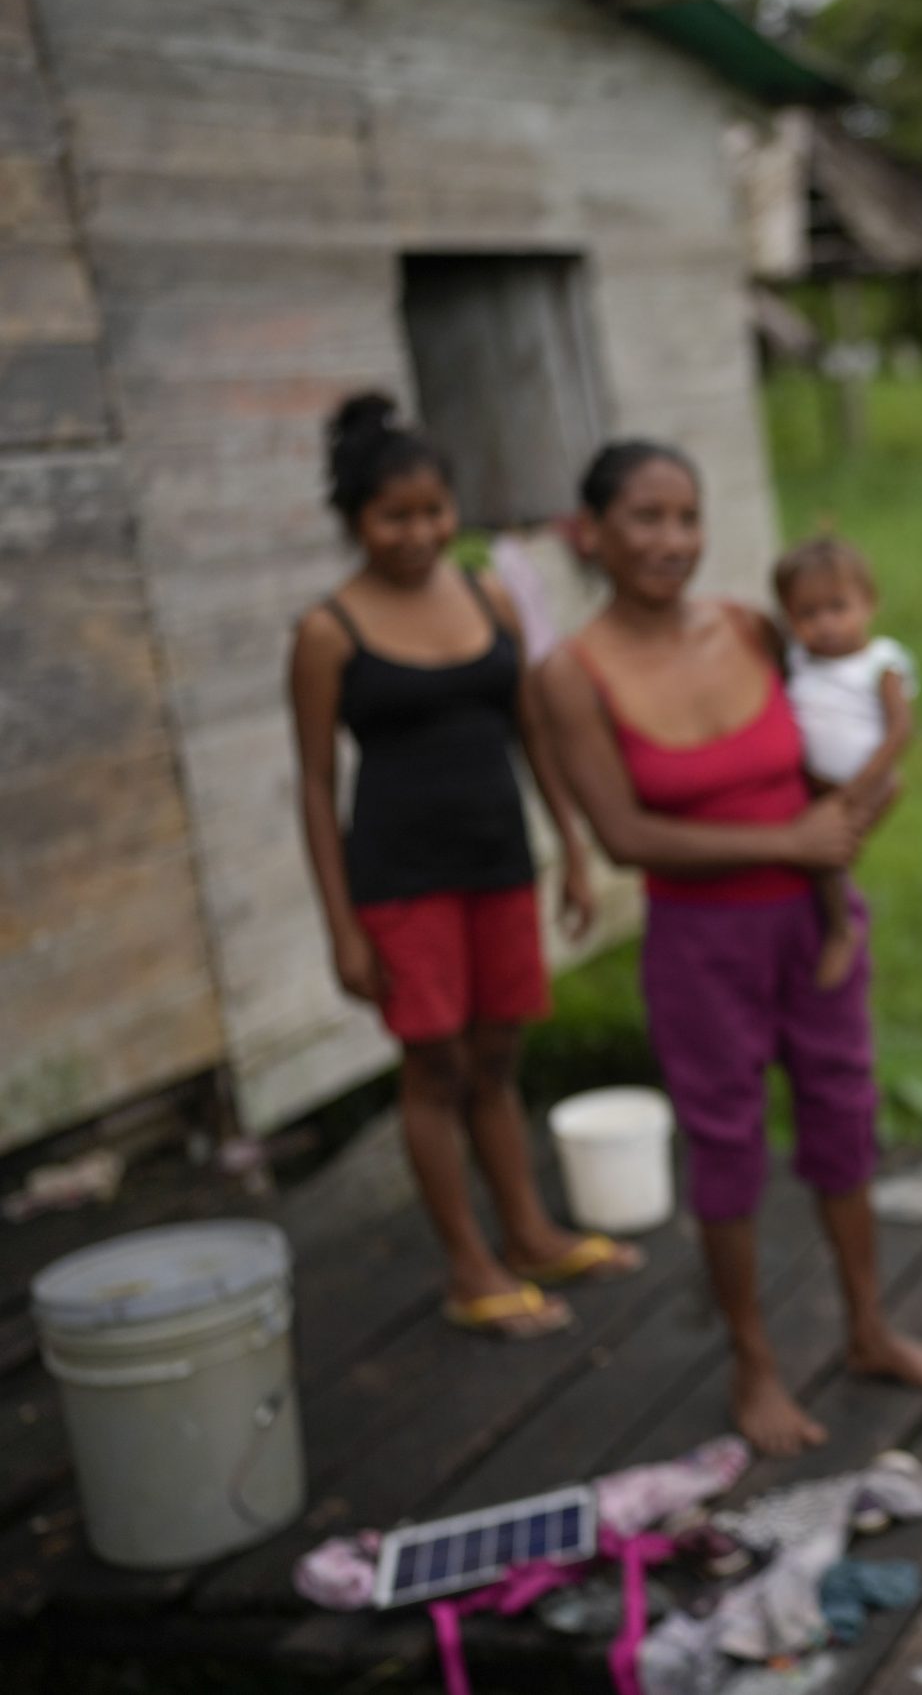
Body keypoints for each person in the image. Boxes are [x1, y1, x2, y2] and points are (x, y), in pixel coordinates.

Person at [536, 440, 922, 1456]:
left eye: (687, 516)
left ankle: (869, 1327)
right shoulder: (571, 673)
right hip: (700, 943)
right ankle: (753, 1362)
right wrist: (787, 843)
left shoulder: (749, 628)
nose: (672, 539)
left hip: (813, 925)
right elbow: (624, 836)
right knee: (726, 1144)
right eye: (646, 517)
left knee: (843, 1114)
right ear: (591, 532)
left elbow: (832, 739)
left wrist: (856, 816)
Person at [288, 392, 638, 1342]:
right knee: (435, 1065)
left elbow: (532, 730)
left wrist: (571, 849)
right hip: (401, 880)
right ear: (354, 521)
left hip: (498, 864)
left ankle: (527, 1232)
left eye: (433, 511)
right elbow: (316, 785)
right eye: (392, 516)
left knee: (497, 1054)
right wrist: (341, 927)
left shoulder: (490, 598)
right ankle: (469, 1267)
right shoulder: (328, 631)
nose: (417, 534)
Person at [772, 536, 919, 990]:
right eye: (808, 614)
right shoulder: (798, 660)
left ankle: (841, 929)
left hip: (861, 784)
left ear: (869, 603)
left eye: (838, 608)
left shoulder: (880, 662)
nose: (826, 624)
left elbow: (900, 730)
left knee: (826, 854)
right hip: (811, 783)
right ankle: (819, 924)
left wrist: (863, 784)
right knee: (815, 853)